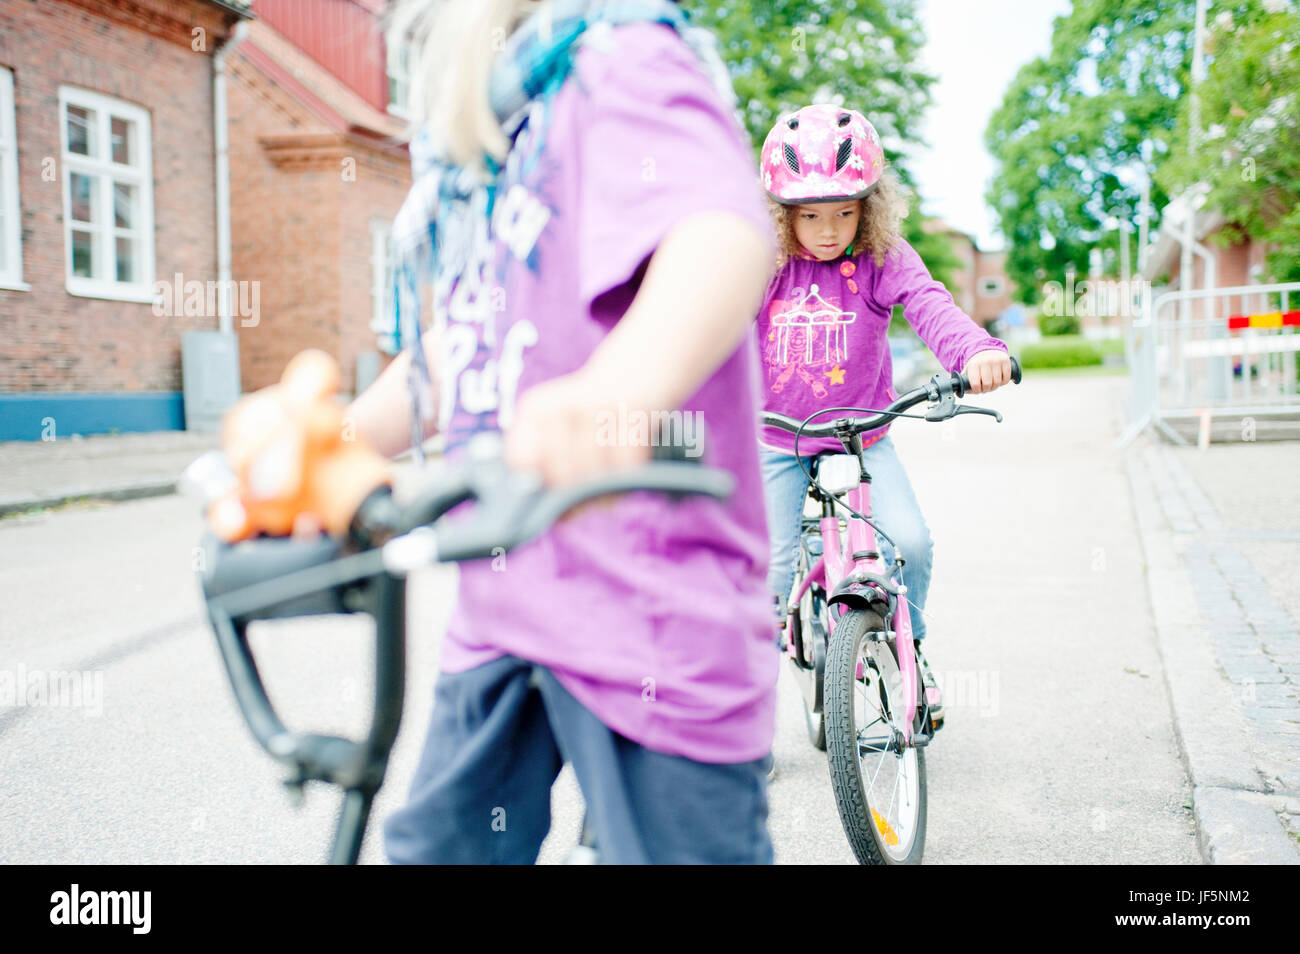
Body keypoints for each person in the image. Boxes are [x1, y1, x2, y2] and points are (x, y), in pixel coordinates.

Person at [294, 0, 777, 863]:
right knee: (439, 850)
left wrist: (616, 391)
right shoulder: (495, 152)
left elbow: (722, 234)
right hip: (504, 604)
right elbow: (461, 348)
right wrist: (326, 447)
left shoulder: (621, 63)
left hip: (650, 612)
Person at [755, 103, 1014, 725]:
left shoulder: (882, 256)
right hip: (776, 439)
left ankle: (908, 649)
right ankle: (745, 722)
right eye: (808, 215)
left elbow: (931, 306)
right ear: (780, 214)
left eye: (844, 212)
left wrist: (975, 350)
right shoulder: (763, 263)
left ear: (869, 208)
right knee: (763, 571)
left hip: (860, 435)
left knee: (913, 544)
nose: (826, 229)